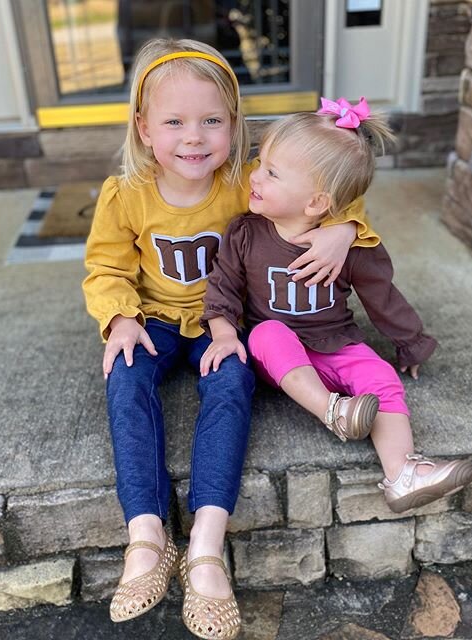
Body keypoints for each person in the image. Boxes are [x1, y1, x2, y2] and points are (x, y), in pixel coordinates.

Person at [83, 39, 377, 639]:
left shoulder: (245, 183)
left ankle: (207, 547)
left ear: (234, 125)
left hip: (226, 322)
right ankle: (147, 536)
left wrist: (344, 229)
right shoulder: (125, 195)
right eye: (174, 122)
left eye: (212, 121)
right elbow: (107, 268)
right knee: (126, 376)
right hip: (154, 318)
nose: (194, 138)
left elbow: (328, 187)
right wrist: (120, 318)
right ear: (143, 128)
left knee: (233, 381)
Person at [200, 97, 472, 517]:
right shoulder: (245, 234)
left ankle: (402, 472)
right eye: (261, 163)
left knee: (380, 376)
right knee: (266, 332)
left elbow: (382, 297)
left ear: (315, 202)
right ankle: (332, 411)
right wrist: (222, 333)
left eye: (271, 173)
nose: (254, 176)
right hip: (280, 359)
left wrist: (411, 342)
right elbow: (221, 288)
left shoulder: (349, 247)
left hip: (336, 343)